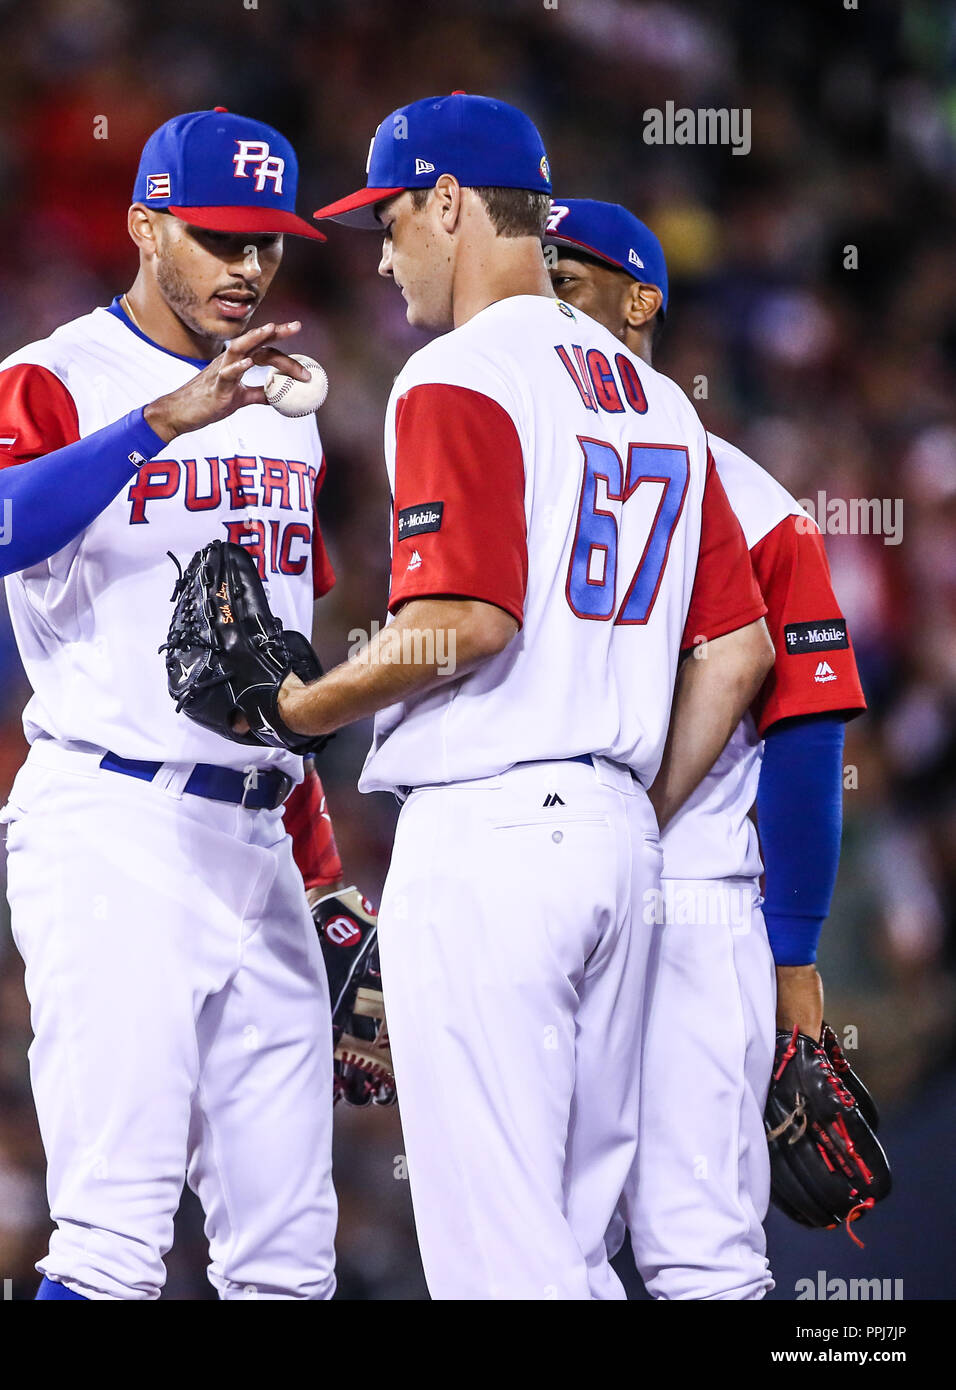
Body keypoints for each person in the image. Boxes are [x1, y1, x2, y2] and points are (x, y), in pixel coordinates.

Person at [254, 92, 774, 1299]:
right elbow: (737, 647)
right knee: (572, 1257)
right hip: (616, 852)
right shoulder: (661, 399)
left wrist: (305, 706)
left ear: (448, 203)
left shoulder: (456, 373)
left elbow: (466, 625)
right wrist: (630, 806)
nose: (379, 254)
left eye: (388, 220)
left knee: (504, 1268)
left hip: (492, 841)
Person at [0, 107, 356, 1301]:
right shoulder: (57, 373)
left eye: (265, 242)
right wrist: (159, 424)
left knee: (287, 1263)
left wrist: (321, 874)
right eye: (218, 240)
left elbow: (285, 669)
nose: (248, 267)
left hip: (261, 835)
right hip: (117, 821)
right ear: (144, 227)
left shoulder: (290, 403)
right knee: (114, 1244)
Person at [545, 198, 867, 1298]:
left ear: (642, 300)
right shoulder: (520, 473)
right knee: (554, 1250)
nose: (546, 298)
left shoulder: (755, 500)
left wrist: (795, 954)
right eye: (533, 275)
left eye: (570, 278)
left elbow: (807, 732)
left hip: (687, 887)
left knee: (697, 1253)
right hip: (560, 881)